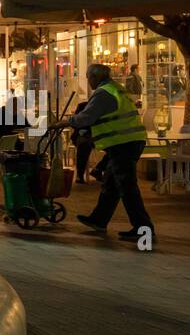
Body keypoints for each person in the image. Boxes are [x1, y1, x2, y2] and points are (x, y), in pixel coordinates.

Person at [65, 63, 153, 241]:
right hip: (128, 142)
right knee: (111, 183)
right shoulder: (115, 88)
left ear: (94, 77)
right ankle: (99, 219)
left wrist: (67, 122)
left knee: (127, 187)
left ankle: (143, 228)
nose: (88, 81)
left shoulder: (104, 92)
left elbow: (87, 117)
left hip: (124, 144)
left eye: (88, 78)